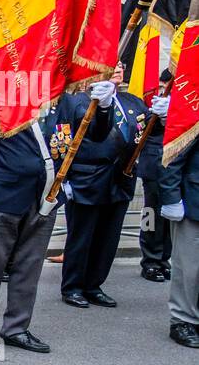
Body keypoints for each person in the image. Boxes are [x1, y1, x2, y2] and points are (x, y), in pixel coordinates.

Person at [0, 101, 60, 354]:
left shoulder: (61, 105)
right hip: (5, 197)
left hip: (46, 198)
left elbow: (74, 144)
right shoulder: (2, 105)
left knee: (30, 266)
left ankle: (17, 327)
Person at [53, 65, 144, 309]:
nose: (119, 68)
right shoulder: (75, 100)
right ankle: (72, 286)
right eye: (112, 65)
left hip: (121, 178)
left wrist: (164, 118)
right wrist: (63, 179)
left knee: (108, 238)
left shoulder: (131, 101)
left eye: (121, 65)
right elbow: (61, 137)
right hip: (86, 178)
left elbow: (148, 134)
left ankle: (94, 285)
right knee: (82, 237)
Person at [157, 92, 199, 348]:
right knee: (189, 267)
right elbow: (173, 154)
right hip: (194, 200)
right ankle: (182, 319)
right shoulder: (193, 106)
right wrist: (172, 198)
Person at [138, 69, 174, 283]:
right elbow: (141, 126)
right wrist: (157, 115)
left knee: (170, 214)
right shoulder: (151, 96)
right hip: (153, 163)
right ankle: (150, 260)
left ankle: (164, 259)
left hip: (172, 163)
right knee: (151, 213)